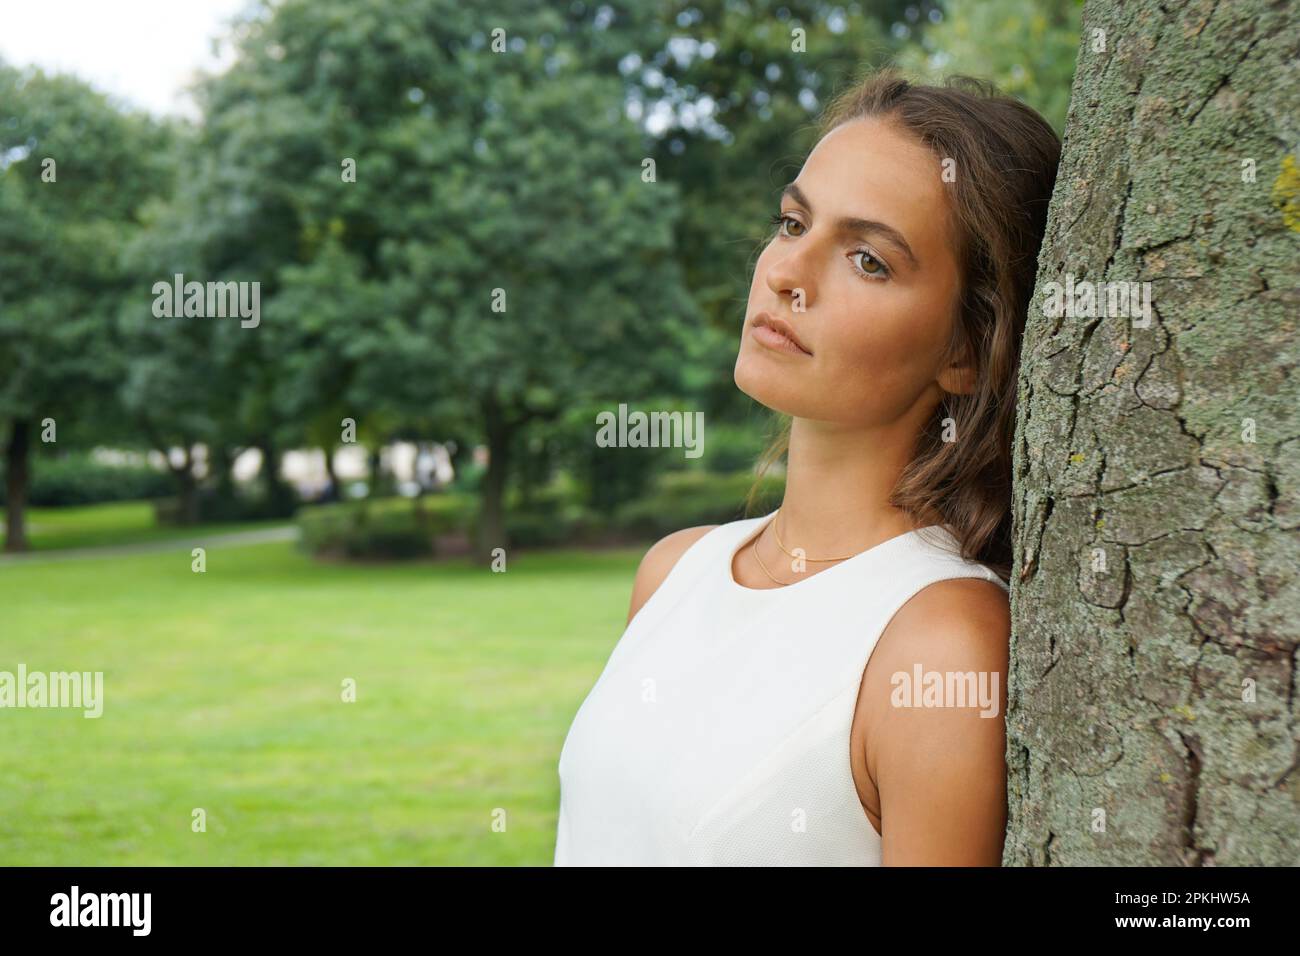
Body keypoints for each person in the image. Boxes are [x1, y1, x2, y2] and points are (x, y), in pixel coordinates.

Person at [555, 69, 1061, 866]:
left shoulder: (940, 644)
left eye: (868, 260)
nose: (786, 275)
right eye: (794, 223)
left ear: (967, 349)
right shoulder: (675, 571)